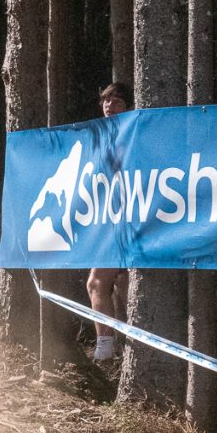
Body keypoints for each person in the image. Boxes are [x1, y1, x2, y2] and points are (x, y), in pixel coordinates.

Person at [87, 82, 132, 363]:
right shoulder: (96, 136)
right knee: (97, 283)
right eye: (106, 100)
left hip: (136, 222)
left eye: (117, 101)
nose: (109, 105)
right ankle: (106, 348)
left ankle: (132, 348)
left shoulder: (135, 133)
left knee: (129, 286)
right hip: (107, 222)